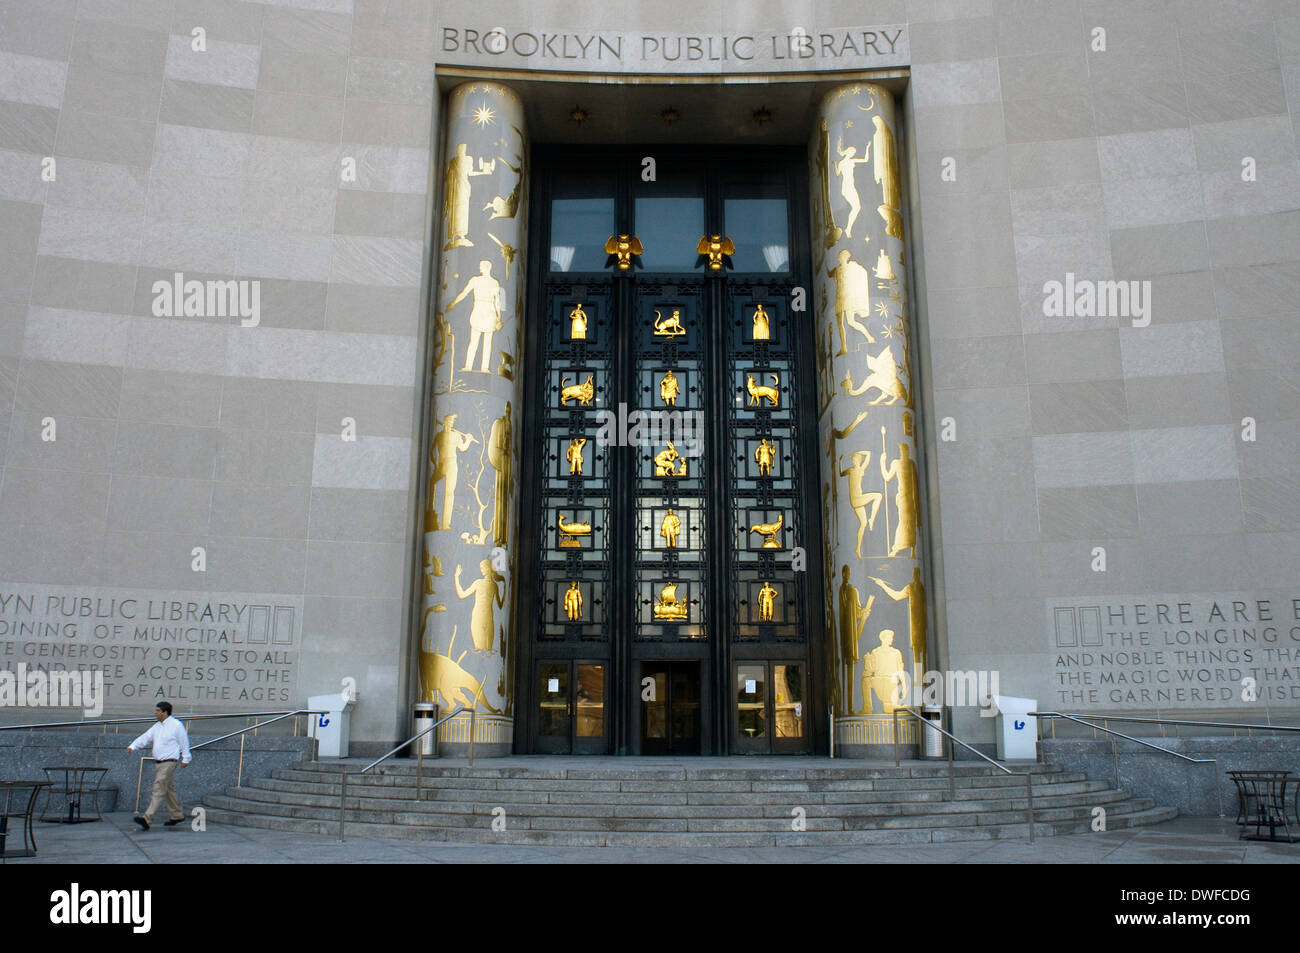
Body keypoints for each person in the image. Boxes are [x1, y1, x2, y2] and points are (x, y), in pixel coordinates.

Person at [127, 701, 191, 831]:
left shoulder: (176, 725)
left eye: (157, 711)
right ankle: (177, 815)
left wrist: (186, 758)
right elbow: (146, 737)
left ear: (164, 712)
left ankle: (147, 818)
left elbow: (184, 742)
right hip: (160, 764)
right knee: (168, 790)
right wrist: (133, 745)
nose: (155, 713)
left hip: (169, 763)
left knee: (158, 788)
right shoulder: (157, 726)